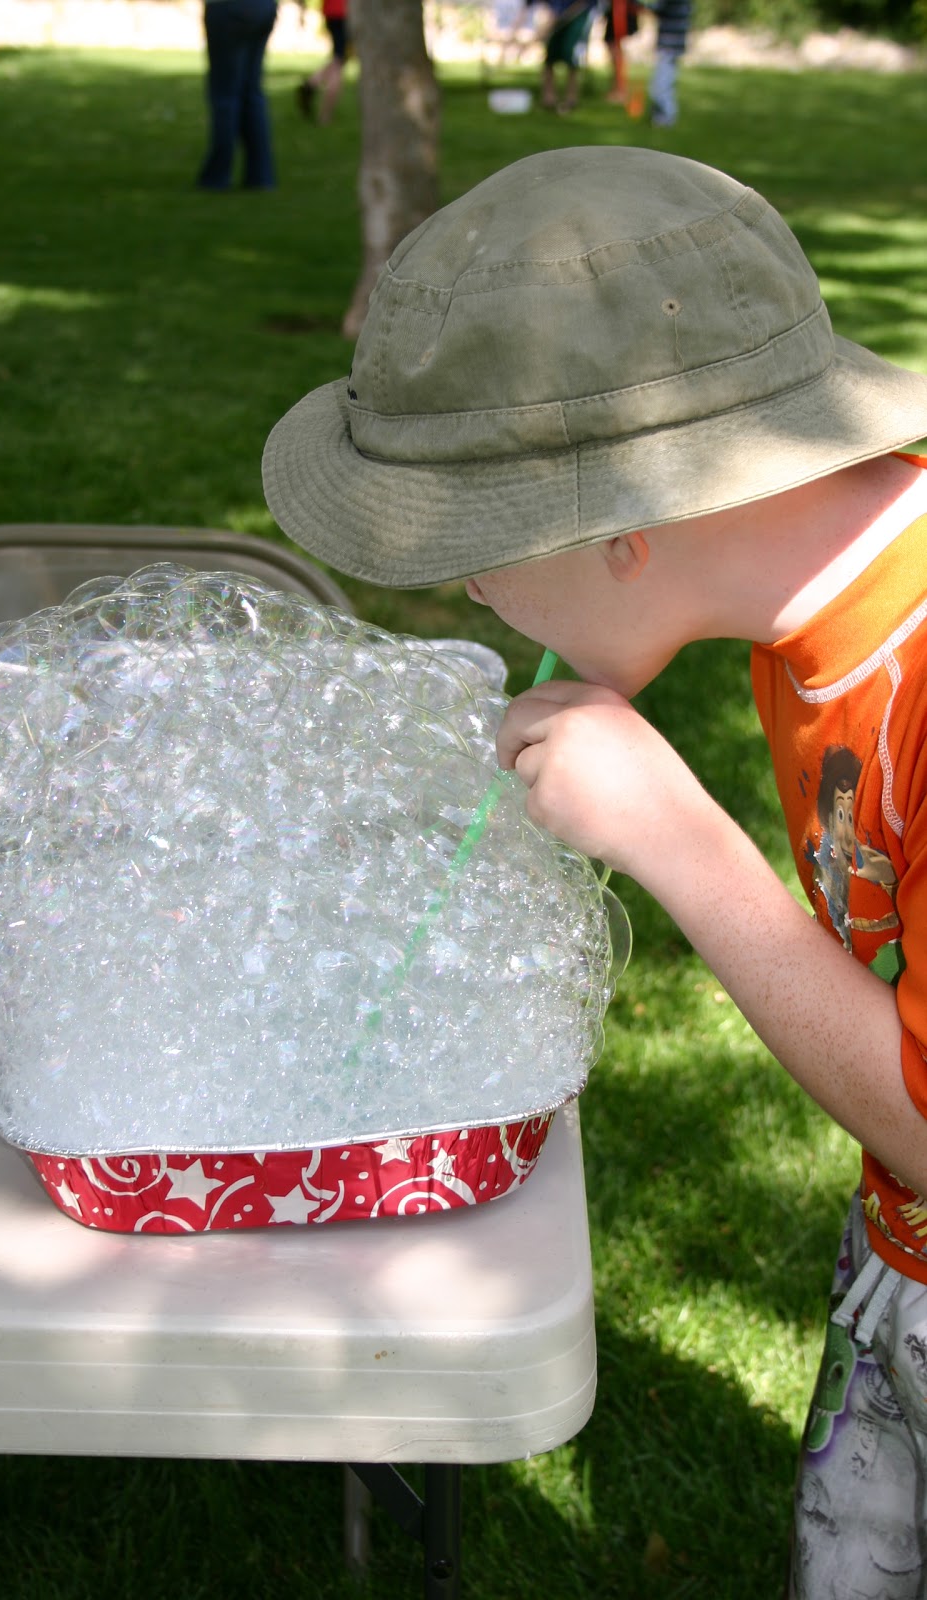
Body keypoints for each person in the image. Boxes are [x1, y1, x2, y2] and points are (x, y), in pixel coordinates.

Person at [261, 146, 927, 1595]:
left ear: (619, 524)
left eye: (475, 555)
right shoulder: (807, 609)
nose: (471, 595)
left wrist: (678, 842)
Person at [197, 0, 278, 191]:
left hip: (229, 7)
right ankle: (260, 176)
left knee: (225, 94)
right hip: (264, 7)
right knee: (251, 91)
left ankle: (217, 176)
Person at [527, 0, 598, 113]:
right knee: (550, 54)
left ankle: (571, 98)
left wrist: (562, 16)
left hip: (578, 12)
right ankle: (548, 98)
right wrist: (549, 15)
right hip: (554, 12)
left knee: (570, 54)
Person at [296, 0, 350, 125]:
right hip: (344, 13)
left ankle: (310, 84)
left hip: (331, 11)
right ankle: (325, 117)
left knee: (340, 58)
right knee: (339, 62)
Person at [647, 0, 692, 126]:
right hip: (675, 41)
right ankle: (663, 115)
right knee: (667, 80)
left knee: (661, 84)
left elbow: (659, 8)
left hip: (669, 42)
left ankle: (665, 116)